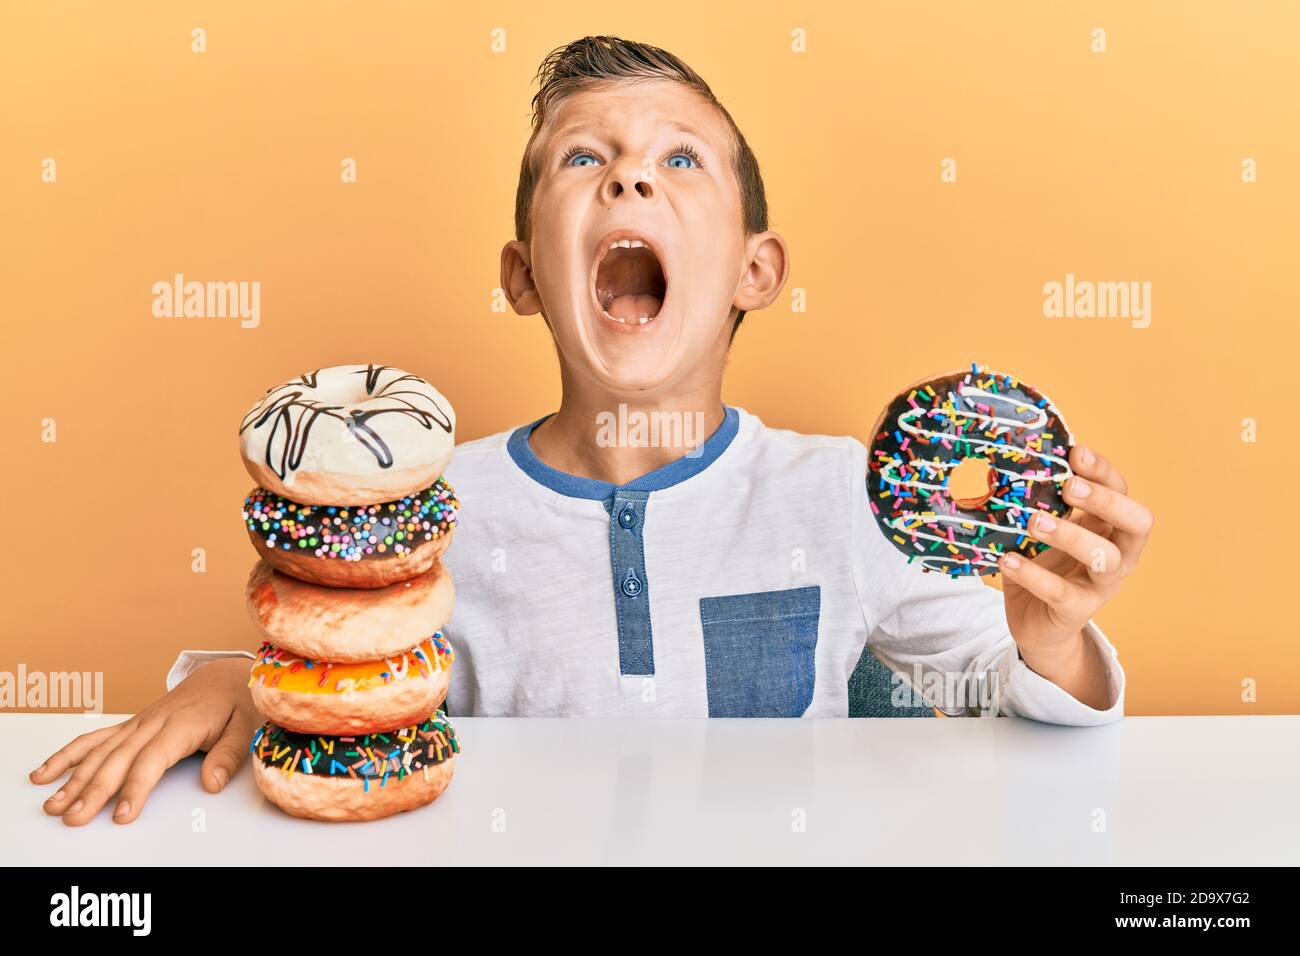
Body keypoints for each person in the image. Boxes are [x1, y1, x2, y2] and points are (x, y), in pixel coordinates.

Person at [31, 36, 1152, 826]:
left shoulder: (840, 496)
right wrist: (237, 674)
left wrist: (1051, 635)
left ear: (753, 272)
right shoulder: (426, 514)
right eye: (584, 158)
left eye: (679, 160)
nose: (628, 173)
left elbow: (1016, 708)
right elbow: (333, 673)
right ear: (523, 276)